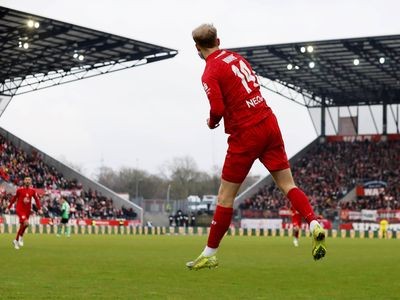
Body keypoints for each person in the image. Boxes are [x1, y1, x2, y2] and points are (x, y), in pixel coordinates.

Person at [186, 24, 326, 270]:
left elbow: (217, 109)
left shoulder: (210, 72)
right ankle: (313, 222)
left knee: (225, 197)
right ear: (219, 39)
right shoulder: (237, 57)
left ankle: (210, 253)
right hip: (268, 121)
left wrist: (211, 123)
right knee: (287, 184)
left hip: (246, 132)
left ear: (197, 48)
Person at [5, 177, 42, 250]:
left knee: (24, 225)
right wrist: (8, 207)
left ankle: (16, 240)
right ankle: (20, 237)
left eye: (29, 180)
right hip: (20, 209)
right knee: (26, 223)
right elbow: (14, 199)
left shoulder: (33, 191)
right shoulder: (19, 190)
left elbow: (37, 200)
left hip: (27, 210)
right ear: (24, 181)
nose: (28, 181)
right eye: (26, 180)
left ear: (31, 181)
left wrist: (39, 209)